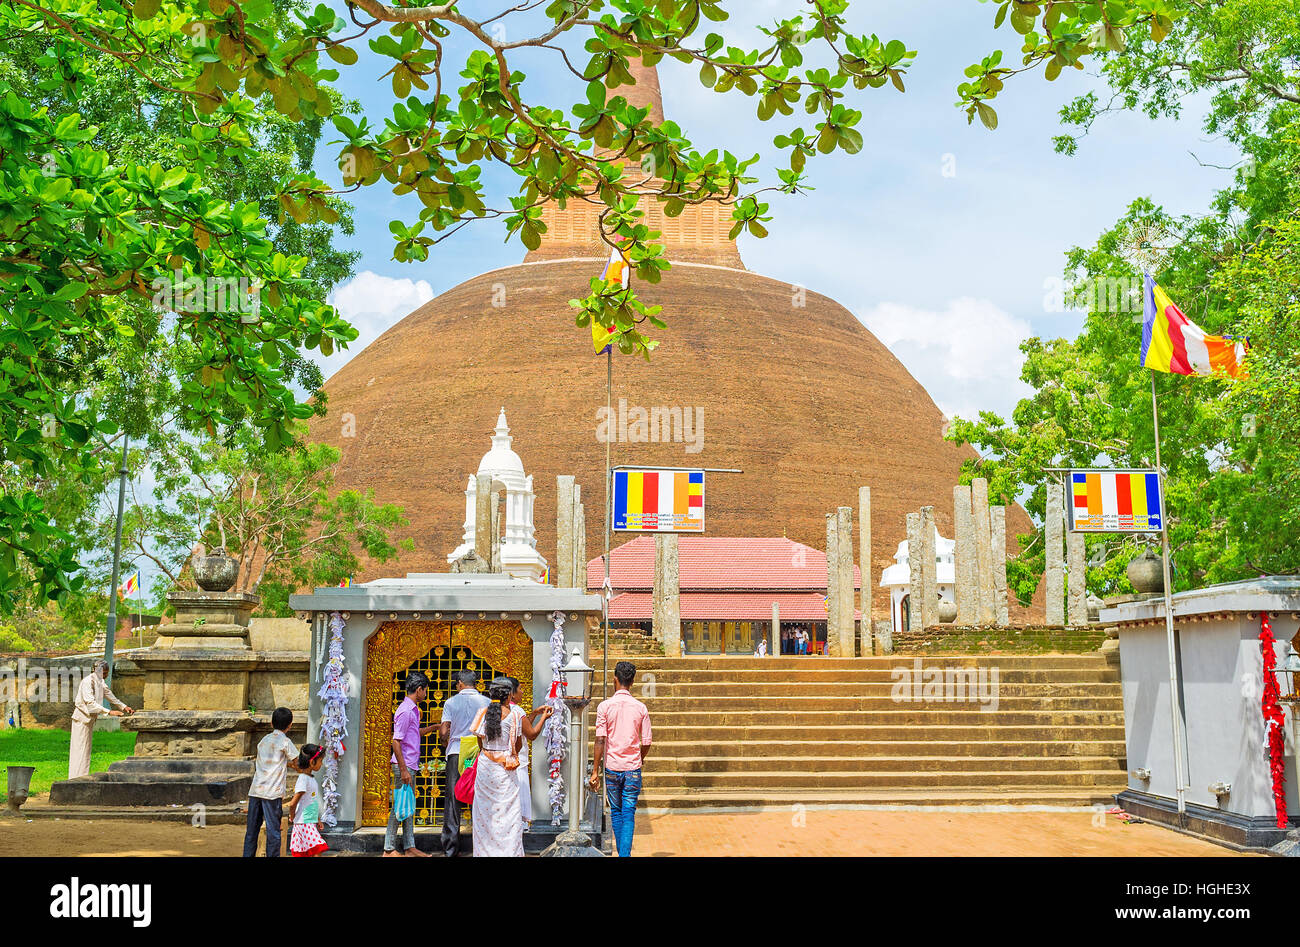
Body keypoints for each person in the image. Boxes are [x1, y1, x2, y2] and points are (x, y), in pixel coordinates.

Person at [588, 660, 652, 857]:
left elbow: (600, 739)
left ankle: (623, 854)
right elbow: (647, 741)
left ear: (615, 679)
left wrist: (595, 770)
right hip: (632, 767)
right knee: (628, 813)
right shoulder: (641, 708)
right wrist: (639, 758)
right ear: (632, 682)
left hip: (612, 767)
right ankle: (624, 855)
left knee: (616, 811)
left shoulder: (605, 707)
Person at [469, 677, 524, 857]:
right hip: (505, 769)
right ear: (509, 696)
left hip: (486, 766)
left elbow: (480, 740)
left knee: (484, 815)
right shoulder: (514, 715)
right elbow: (517, 745)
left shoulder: (482, 712)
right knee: (509, 814)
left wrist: (489, 752)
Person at [437, 669, 489, 856]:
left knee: (453, 799)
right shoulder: (486, 702)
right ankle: (482, 846)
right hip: (476, 754)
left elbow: (444, 731)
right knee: (479, 797)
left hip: (456, 752)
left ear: (459, 683)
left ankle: (451, 848)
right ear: (475, 683)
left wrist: (444, 741)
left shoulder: (451, 702)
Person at [385, 672, 437, 857]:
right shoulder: (406, 711)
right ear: (419, 689)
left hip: (409, 764)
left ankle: (409, 847)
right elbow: (396, 741)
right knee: (399, 806)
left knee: (407, 806)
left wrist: (433, 728)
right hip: (405, 765)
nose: (426, 694)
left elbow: (414, 733)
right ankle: (389, 849)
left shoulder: (412, 709)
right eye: (425, 691)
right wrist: (404, 770)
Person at [243, 706, 299, 857]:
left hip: (256, 791)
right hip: (272, 794)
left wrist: (286, 764)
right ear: (290, 725)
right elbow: (297, 762)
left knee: (251, 832)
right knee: (273, 832)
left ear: (271, 723)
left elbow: (271, 762)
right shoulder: (285, 742)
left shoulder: (263, 740)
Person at [69, 659, 133, 779]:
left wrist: (124, 707)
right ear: (95, 670)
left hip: (89, 719)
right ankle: (75, 779)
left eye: (106, 673)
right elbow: (90, 703)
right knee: (79, 751)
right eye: (103, 673)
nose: (105, 675)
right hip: (81, 719)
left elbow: (109, 695)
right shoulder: (87, 682)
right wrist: (109, 712)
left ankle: (82, 777)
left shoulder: (100, 681)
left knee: (85, 752)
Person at [505, 676, 553, 829]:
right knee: (518, 802)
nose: (522, 692)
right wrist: (543, 718)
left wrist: (534, 714)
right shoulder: (517, 710)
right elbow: (531, 734)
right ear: (512, 693)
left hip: (503, 761)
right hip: (517, 762)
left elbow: (523, 729)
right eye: (520, 689)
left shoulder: (502, 709)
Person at [288, 744, 329, 857]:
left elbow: (311, 801)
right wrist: (292, 816)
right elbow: (293, 803)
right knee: (317, 848)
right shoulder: (303, 779)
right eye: (320, 761)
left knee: (311, 850)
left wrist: (317, 819)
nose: (321, 764)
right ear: (312, 762)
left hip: (309, 822)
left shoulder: (310, 779)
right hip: (303, 823)